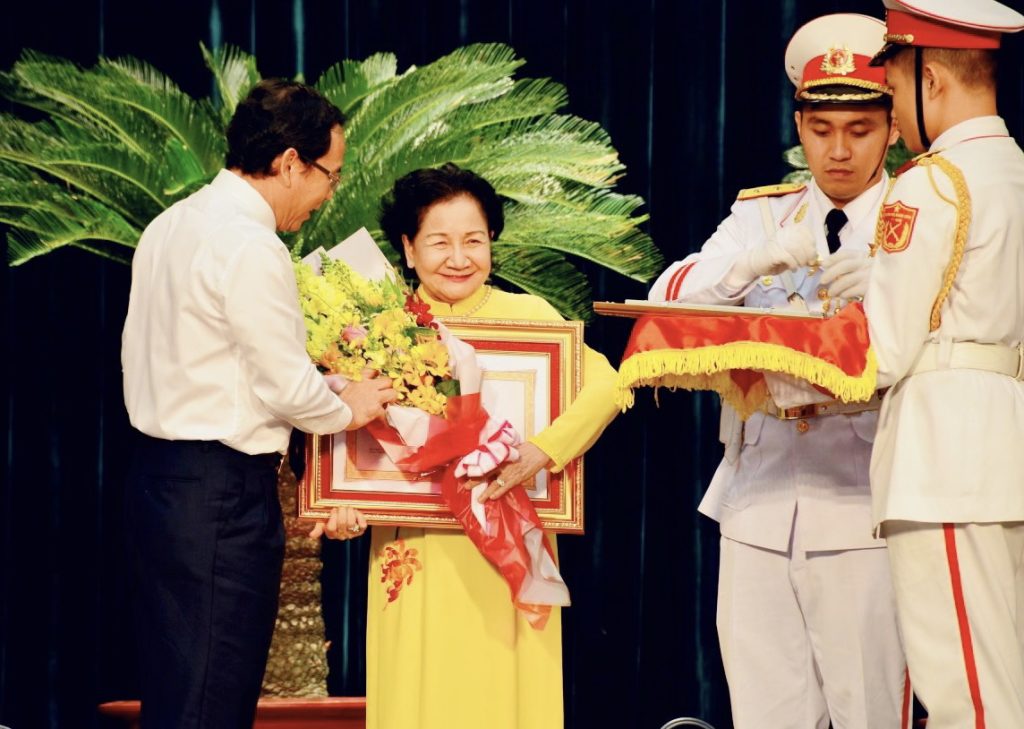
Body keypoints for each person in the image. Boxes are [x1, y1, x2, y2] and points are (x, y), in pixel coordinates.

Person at [649, 14, 909, 729]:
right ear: (799, 125)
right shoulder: (762, 218)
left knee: (869, 711)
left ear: (893, 127)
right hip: (758, 498)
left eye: (860, 130)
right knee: (764, 713)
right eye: (821, 130)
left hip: (865, 505)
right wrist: (750, 265)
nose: (839, 151)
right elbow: (667, 297)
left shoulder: (918, 221)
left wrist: (891, 288)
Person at [121, 79, 397, 729]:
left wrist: (317, 389)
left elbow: (198, 361)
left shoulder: (169, 226)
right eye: (330, 174)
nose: (330, 192)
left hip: (161, 487)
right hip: (222, 497)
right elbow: (281, 385)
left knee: (177, 688)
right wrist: (348, 406)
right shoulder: (251, 244)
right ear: (290, 163)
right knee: (214, 695)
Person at [340, 163, 618, 729]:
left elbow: (610, 383)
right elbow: (339, 440)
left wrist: (544, 449)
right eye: (439, 242)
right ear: (408, 249)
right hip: (415, 545)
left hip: (509, 545)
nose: (459, 257)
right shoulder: (376, 327)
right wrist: (341, 504)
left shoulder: (532, 319)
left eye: (475, 240)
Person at [863, 1, 1024, 726]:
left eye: (894, 93)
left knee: (968, 697)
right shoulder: (1013, 173)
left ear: (932, 81)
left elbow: (881, 348)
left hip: (944, 464)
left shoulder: (933, 183)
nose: (893, 116)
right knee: (1000, 679)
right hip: (1000, 440)